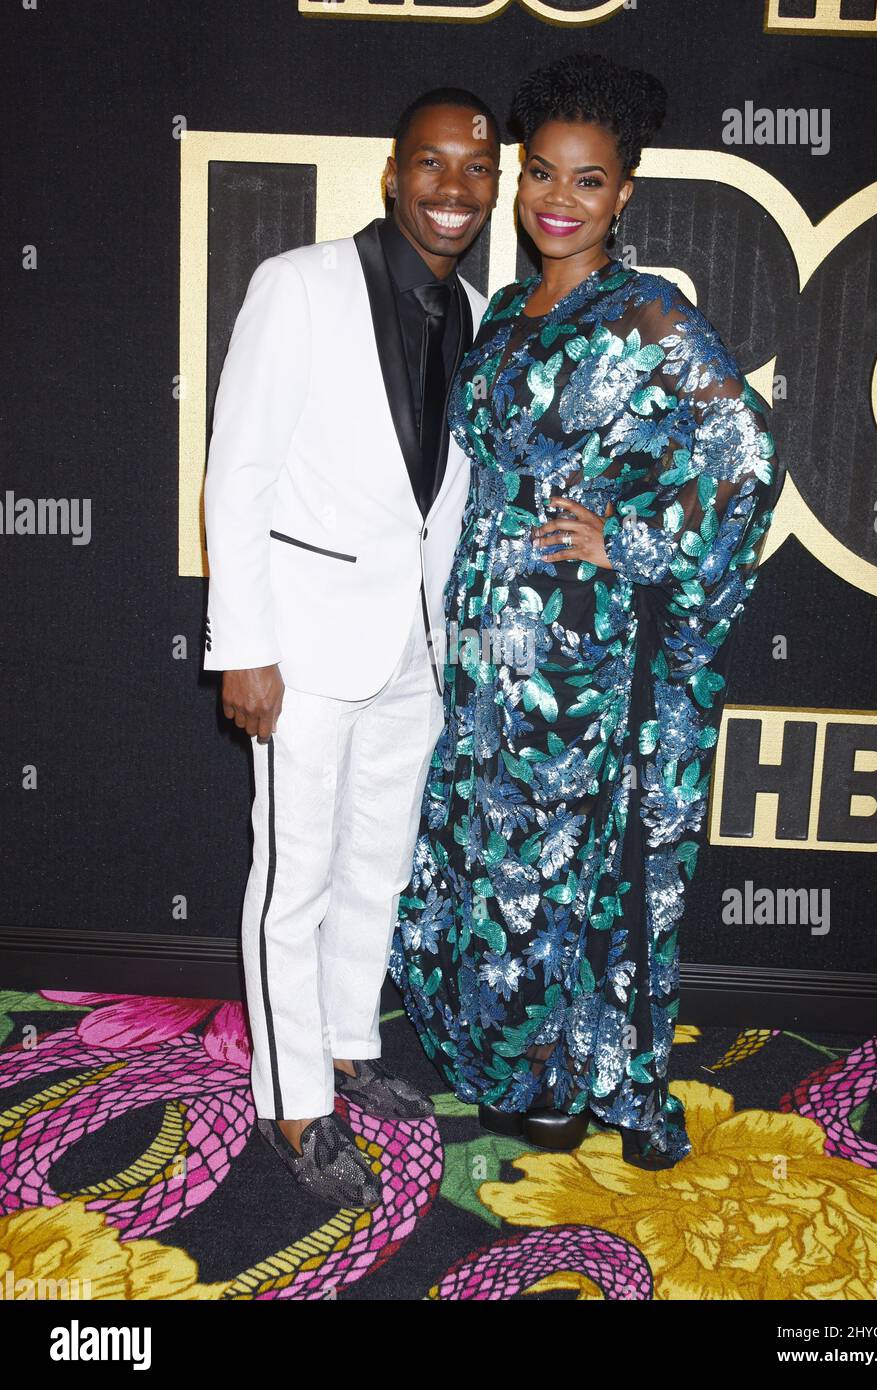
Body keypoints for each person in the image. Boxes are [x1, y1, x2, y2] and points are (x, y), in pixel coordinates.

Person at [390, 54, 782, 1170]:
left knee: (555, 858)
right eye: (541, 174)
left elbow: (746, 458)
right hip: (480, 642)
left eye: (589, 180)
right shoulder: (505, 315)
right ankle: (500, 1060)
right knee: (486, 850)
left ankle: (562, 1077)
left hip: (573, 646)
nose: (558, 199)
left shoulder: (647, 314)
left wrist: (633, 540)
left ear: (624, 193)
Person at [202, 89, 500, 1206]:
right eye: (432, 163)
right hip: (305, 646)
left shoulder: (478, 312)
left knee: (377, 863)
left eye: (476, 168)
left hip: (413, 646)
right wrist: (244, 644)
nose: (453, 188)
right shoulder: (298, 284)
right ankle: (291, 1102)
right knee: (294, 878)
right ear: (392, 171)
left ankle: (343, 1044)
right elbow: (238, 474)